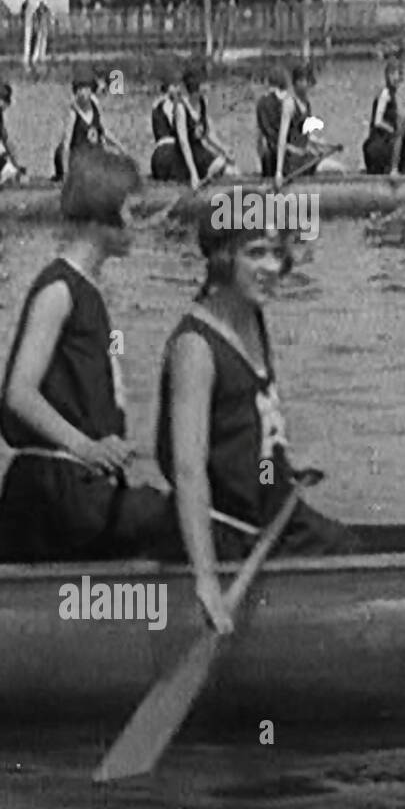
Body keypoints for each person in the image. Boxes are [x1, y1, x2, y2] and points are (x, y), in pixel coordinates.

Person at [155, 217, 357, 633]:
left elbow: (253, 423)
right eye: (255, 253)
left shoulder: (252, 317)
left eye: (277, 253)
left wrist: (283, 464)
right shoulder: (195, 348)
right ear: (223, 259)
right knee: (350, 559)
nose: (271, 267)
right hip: (232, 534)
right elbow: (188, 469)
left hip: (276, 515)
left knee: (352, 546)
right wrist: (207, 580)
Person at [0, 149, 175, 560]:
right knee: (183, 519)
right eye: (132, 212)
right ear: (101, 215)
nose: (138, 224)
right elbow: (20, 395)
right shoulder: (59, 290)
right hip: (55, 490)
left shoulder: (88, 289)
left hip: (77, 484)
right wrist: (88, 448)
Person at [261, 64, 346, 188]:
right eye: (303, 81)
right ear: (296, 83)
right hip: (292, 162)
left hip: (304, 158)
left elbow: (305, 136)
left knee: (339, 170)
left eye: (307, 81)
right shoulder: (289, 105)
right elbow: (282, 139)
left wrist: (328, 146)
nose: (306, 85)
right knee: (332, 171)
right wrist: (278, 172)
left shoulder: (306, 104)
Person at [52, 66, 123, 182]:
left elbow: (104, 131)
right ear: (76, 91)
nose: (83, 93)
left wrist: (120, 147)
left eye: (86, 88)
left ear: (91, 90)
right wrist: (66, 173)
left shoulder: (95, 106)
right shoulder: (73, 112)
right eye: (80, 89)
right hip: (79, 157)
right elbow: (67, 141)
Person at [361, 62, 403, 174]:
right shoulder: (385, 94)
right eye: (393, 75)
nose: (397, 79)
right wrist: (392, 130)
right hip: (378, 143)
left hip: (383, 140)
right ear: (388, 76)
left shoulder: (392, 95)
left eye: (398, 75)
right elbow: (378, 121)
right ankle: (394, 170)